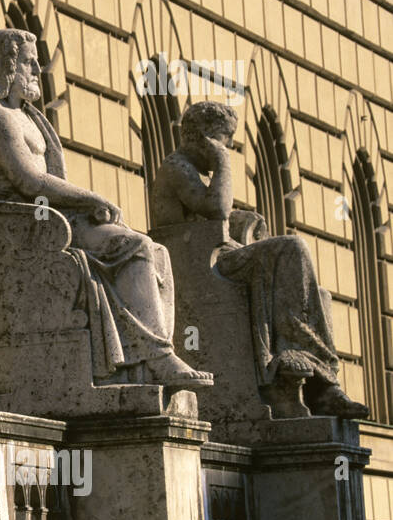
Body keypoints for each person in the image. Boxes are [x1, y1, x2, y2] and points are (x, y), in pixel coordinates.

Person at [0, 28, 210, 386]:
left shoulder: (28, 115)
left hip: (52, 219)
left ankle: (146, 362)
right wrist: (90, 198)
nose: (37, 70)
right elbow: (30, 182)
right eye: (29, 62)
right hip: (29, 227)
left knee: (158, 252)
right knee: (136, 246)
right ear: (8, 65)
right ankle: (157, 357)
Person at [150, 101, 367, 417]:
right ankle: (300, 374)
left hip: (217, 257)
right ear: (202, 137)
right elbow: (216, 209)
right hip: (196, 265)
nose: (228, 147)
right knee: (291, 248)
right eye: (223, 139)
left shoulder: (194, 172)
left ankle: (318, 381)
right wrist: (223, 162)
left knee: (317, 294)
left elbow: (219, 213)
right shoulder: (176, 167)